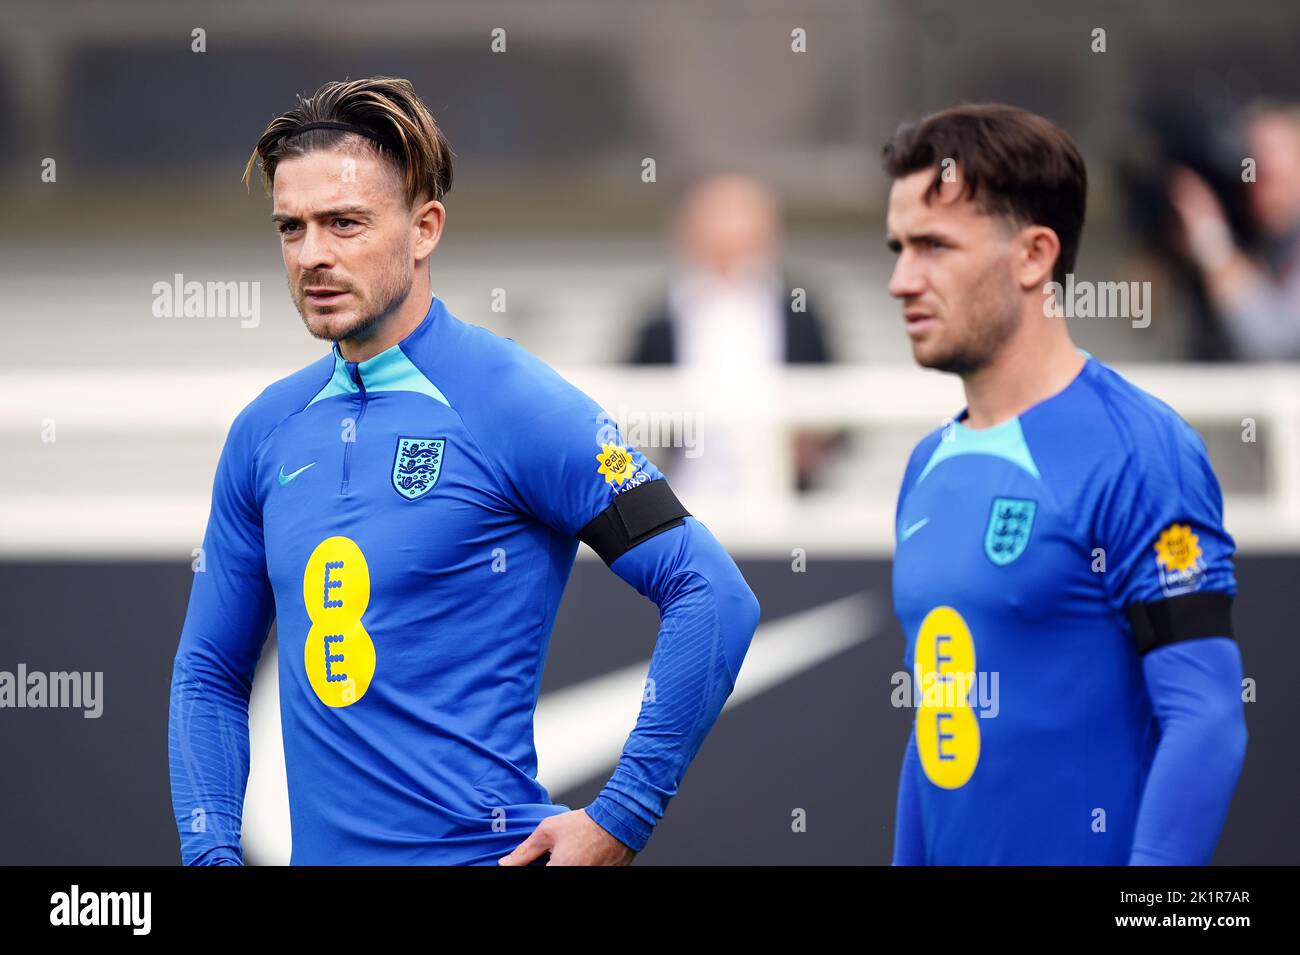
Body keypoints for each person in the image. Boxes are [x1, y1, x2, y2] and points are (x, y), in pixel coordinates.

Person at [167, 76, 759, 866]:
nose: (312, 254)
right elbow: (208, 673)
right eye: (291, 227)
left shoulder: (514, 401)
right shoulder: (264, 433)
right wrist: (209, 852)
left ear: (424, 228)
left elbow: (712, 592)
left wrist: (622, 815)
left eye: (344, 223)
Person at [883, 104, 1247, 864]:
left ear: (1034, 256)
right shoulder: (927, 465)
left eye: (933, 247)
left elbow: (1207, 717)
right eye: (897, 248)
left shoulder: (1139, 450)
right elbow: (939, 732)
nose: (900, 280)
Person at [628, 172, 840, 494]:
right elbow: (628, 403)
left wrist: (809, 447)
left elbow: (839, 397)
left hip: (784, 497)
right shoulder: (659, 316)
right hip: (684, 494)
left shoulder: (800, 310)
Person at [1168, 102, 1300, 359]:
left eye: (1273, 175)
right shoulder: (1259, 239)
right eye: (1250, 169)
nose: (1258, 182)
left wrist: (1210, 237)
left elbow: (1274, 341)